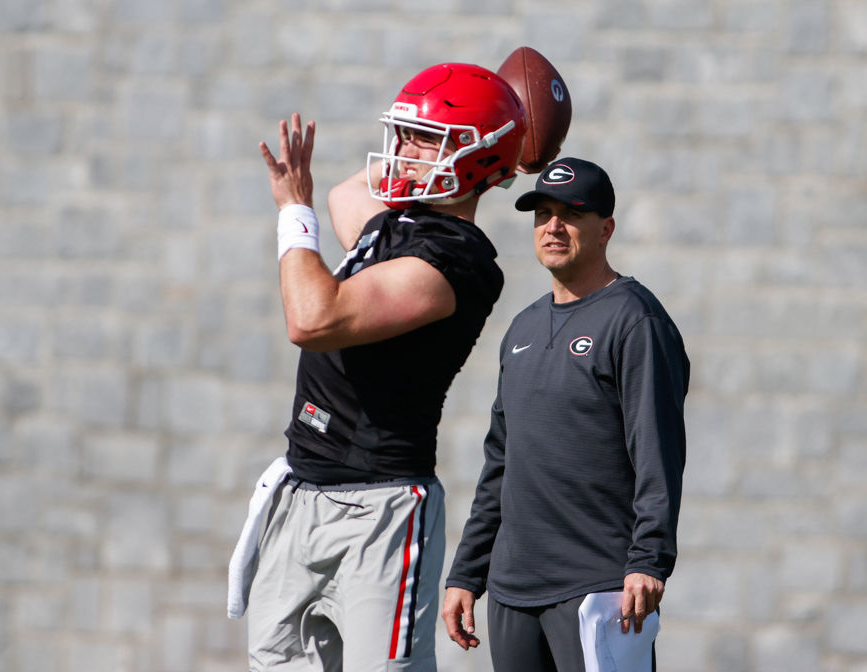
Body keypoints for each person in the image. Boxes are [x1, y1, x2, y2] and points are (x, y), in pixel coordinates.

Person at [235, 62, 528, 672]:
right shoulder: (398, 223)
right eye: (402, 131)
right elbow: (349, 194)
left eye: (424, 137)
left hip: (380, 505)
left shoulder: (457, 261)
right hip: (301, 489)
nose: (402, 148)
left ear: (470, 157)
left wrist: (294, 209)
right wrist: (482, 140)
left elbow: (312, 320)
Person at [441, 157, 690, 672]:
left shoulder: (636, 321)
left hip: (597, 588)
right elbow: (500, 463)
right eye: (543, 213)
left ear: (606, 229)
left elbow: (657, 453)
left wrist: (648, 559)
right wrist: (467, 572)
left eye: (571, 214)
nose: (553, 227)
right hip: (512, 592)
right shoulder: (522, 328)